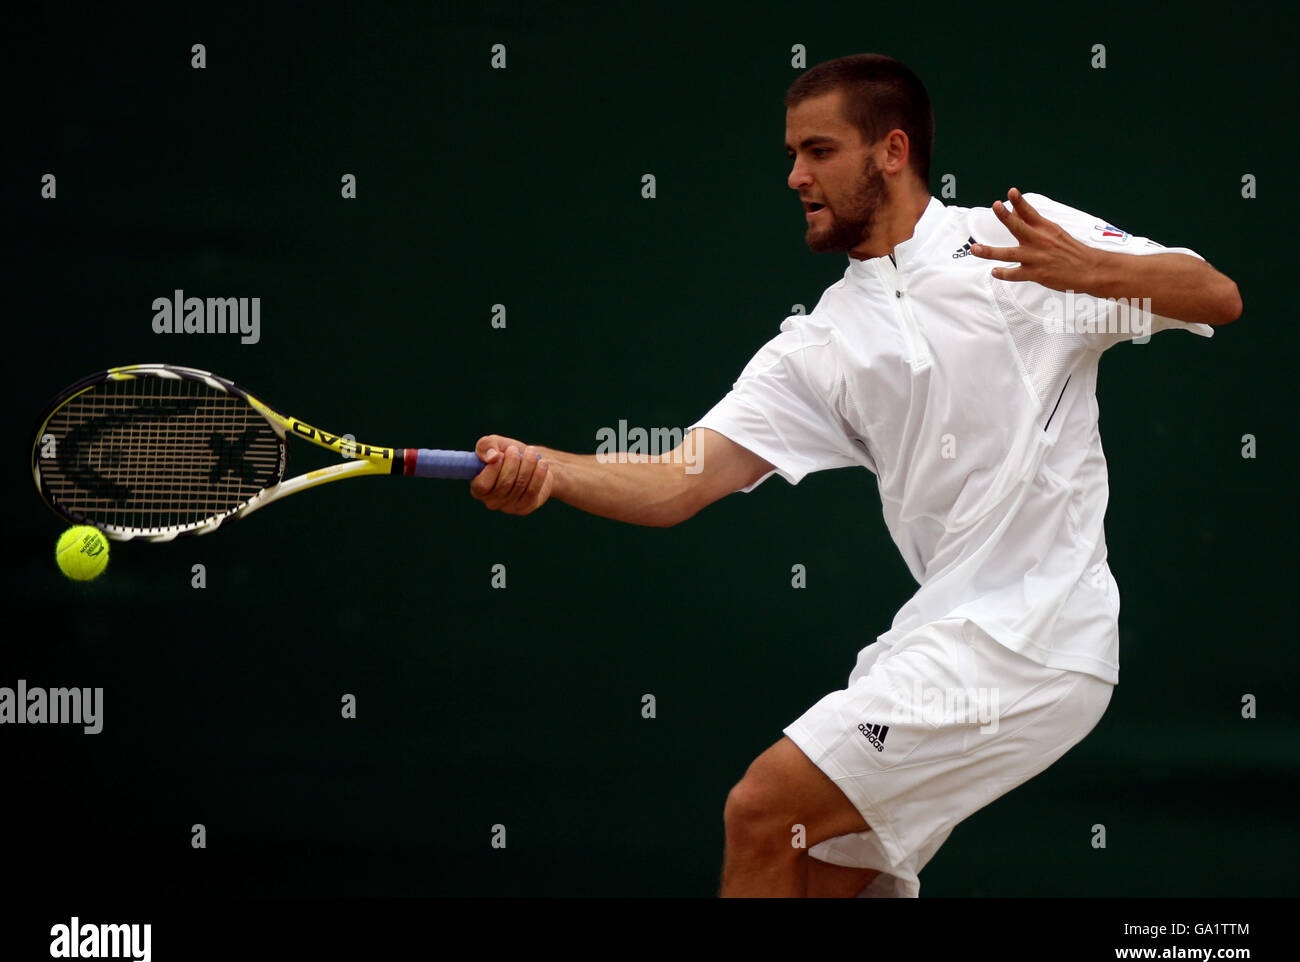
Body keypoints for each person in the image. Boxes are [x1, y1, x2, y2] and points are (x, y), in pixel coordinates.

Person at [468, 53, 1242, 897]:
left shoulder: (1018, 246)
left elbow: (1215, 294)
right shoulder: (817, 344)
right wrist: (549, 471)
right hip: (939, 638)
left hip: (1037, 637)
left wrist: (1099, 273)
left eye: (819, 150)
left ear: (892, 151)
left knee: (761, 809)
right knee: (812, 872)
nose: (796, 175)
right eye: (792, 154)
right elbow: (680, 479)